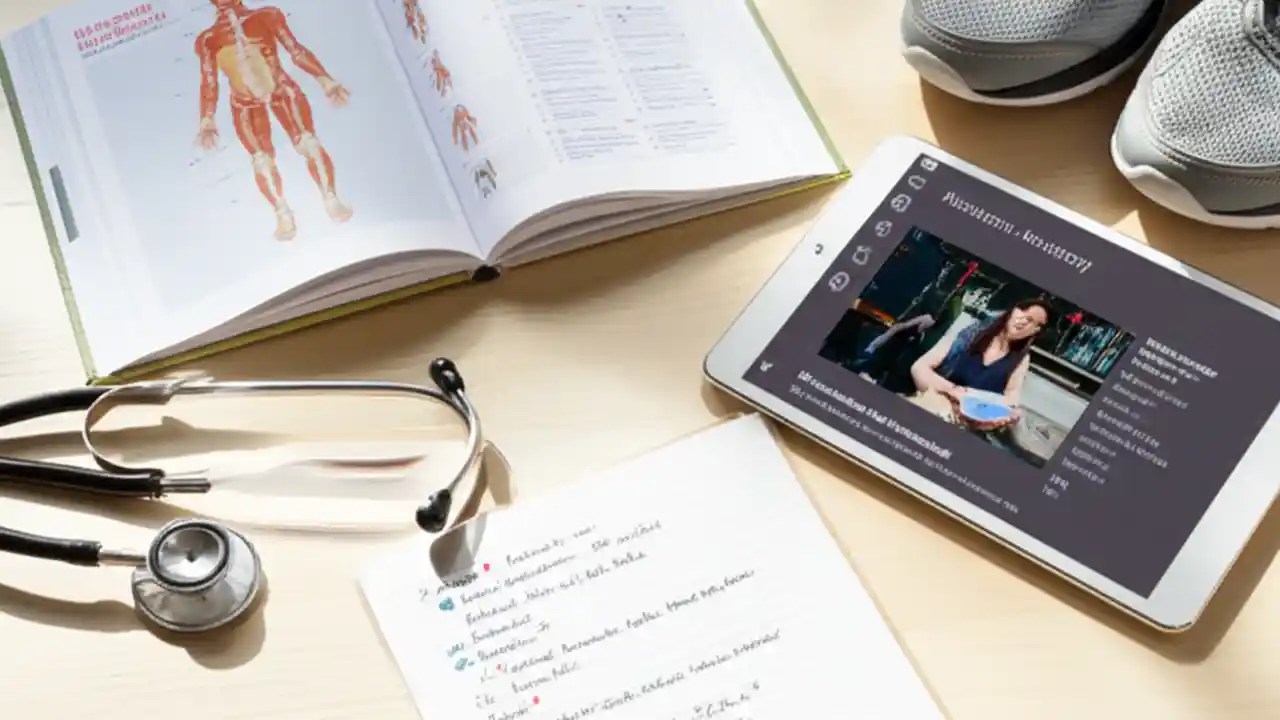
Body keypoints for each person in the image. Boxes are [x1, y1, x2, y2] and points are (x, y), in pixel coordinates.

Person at [195, 0, 353, 241]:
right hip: (244, 101)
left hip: (280, 88)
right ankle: (282, 213)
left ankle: (330, 199)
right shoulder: (208, 39)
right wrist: (207, 117)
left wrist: (325, 80)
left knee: (308, 142)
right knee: (261, 160)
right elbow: (209, 80)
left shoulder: (266, 16)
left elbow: (295, 50)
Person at [910, 298, 1052, 427]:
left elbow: (1011, 398)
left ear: (1035, 331)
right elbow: (919, 368)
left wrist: (1009, 412)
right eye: (1024, 312)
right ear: (1013, 310)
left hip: (968, 424)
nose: (1024, 322)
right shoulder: (971, 333)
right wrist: (955, 391)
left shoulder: (1021, 358)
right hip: (935, 404)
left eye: (1032, 322)